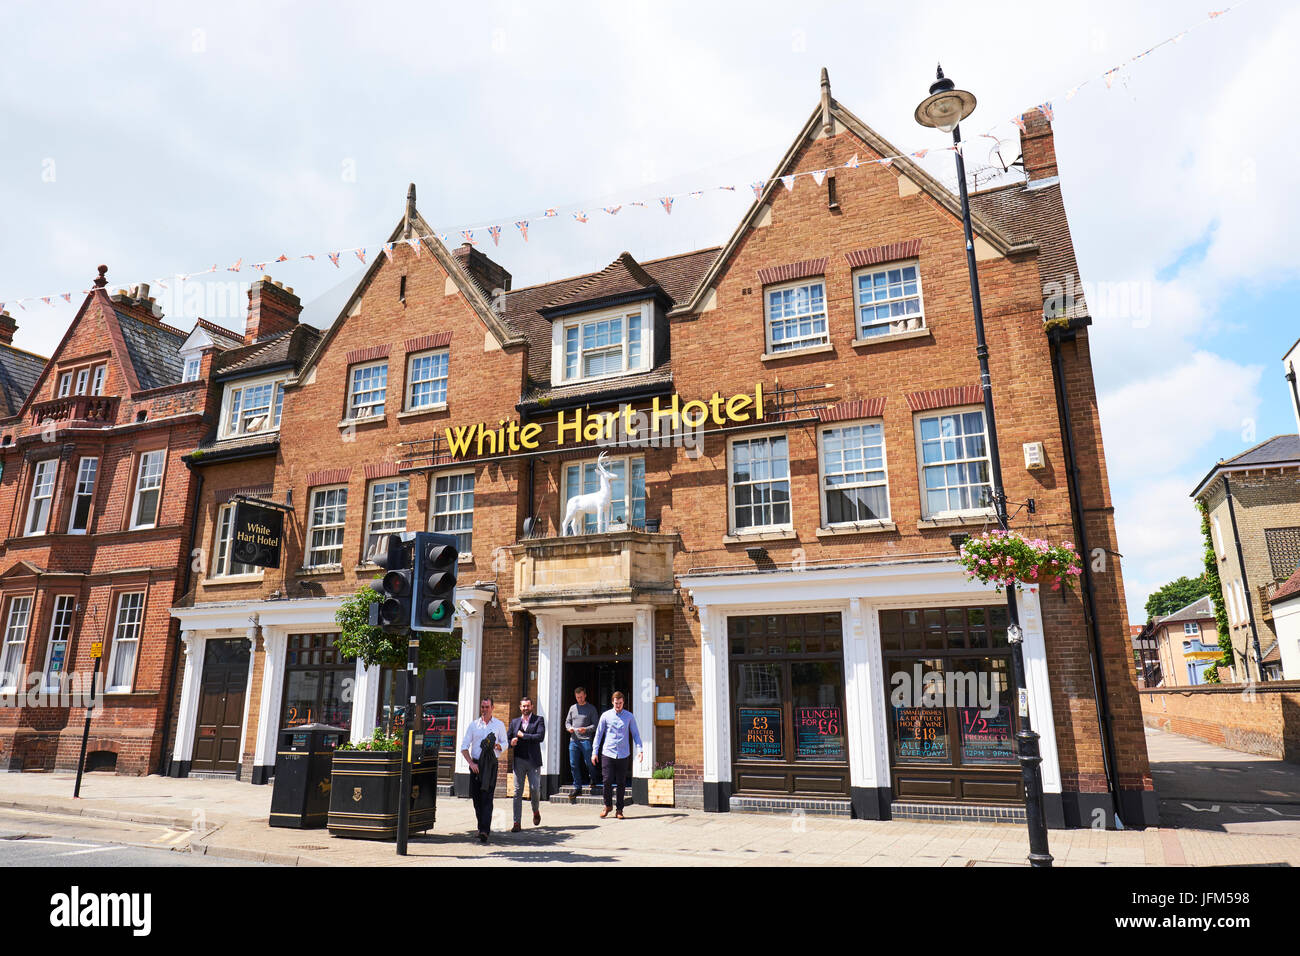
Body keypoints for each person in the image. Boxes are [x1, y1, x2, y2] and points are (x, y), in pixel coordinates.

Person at [459, 696, 507, 843]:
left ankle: (485, 831)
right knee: (477, 799)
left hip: (491, 765)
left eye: (487, 707)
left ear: (492, 708)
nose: (484, 710)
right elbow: (464, 747)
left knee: (487, 797)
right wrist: (471, 764)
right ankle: (481, 827)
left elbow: (505, 743)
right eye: (482, 707)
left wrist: (497, 746)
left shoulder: (499, 725)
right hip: (476, 765)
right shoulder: (474, 725)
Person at [590, 690, 643, 819]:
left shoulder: (629, 716)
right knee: (607, 780)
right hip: (608, 752)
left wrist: (640, 750)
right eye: (616, 703)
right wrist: (594, 752)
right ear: (612, 702)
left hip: (623, 754)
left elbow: (635, 734)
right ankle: (607, 805)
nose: (618, 705)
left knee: (621, 782)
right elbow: (598, 734)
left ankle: (619, 810)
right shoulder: (606, 716)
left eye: (620, 703)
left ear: (623, 702)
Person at [508, 696, 546, 832]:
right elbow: (508, 738)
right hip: (519, 760)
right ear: (520, 707)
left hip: (533, 761)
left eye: (528, 706)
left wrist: (524, 736)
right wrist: (511, 742)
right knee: (517, 791)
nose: (525, 708)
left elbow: (540, 737)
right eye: (523, 706)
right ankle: (516, 822)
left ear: (532, 707)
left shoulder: (538, 720)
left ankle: (535, 811)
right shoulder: (514, 722)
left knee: (534, 789)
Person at [564, 686, 599, 803]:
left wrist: (586, 729)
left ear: (585, 695)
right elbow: (567, 722)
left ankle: (593, 778)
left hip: (586, 739)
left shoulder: (591, 709)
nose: (579, 699)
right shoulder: (572, 708)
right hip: (574, 740)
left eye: (581, 697)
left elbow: (596, 725)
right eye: (577, 697)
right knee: (573, 764)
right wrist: (569, 728)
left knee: (589, 762)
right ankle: (577, 787)